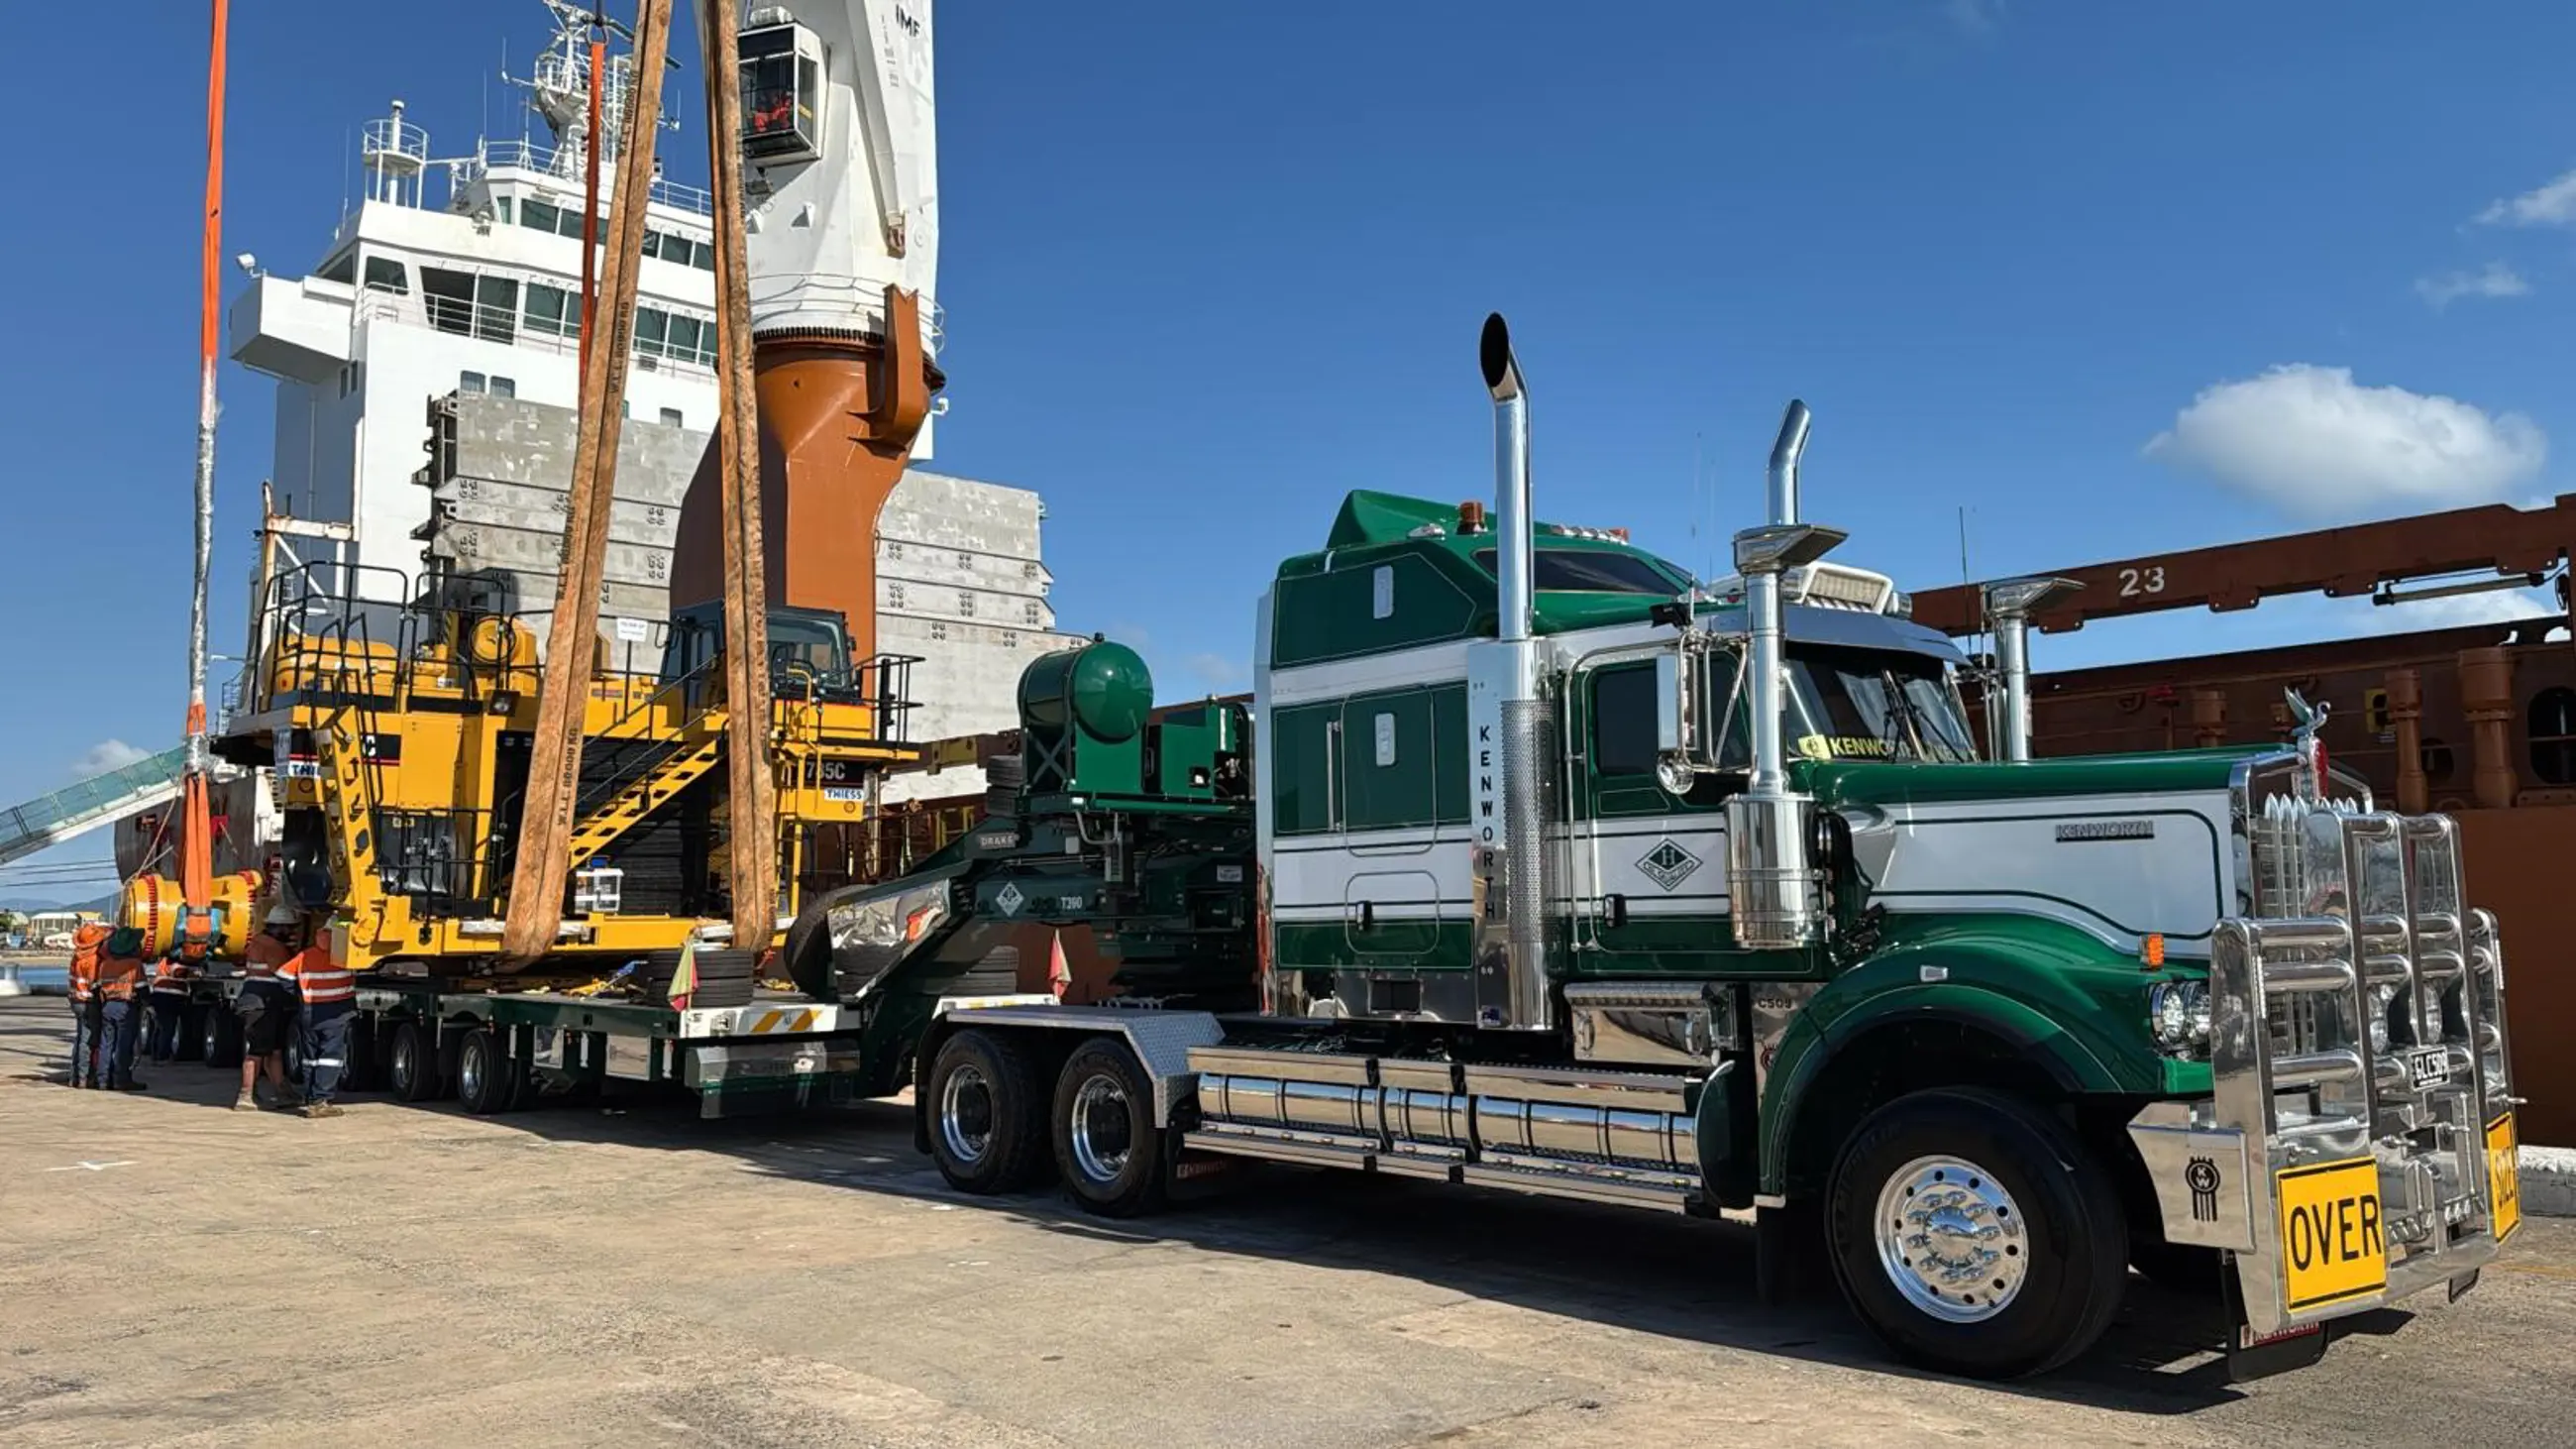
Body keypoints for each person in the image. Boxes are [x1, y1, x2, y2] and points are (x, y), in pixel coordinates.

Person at [285, 929, 356, 1119]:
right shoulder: (345, 956)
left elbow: (283, 975)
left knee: (310, 1056)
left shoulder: (305, 955)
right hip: (335, 1011)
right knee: (330, 1056)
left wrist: (299, 992)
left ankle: (310, 1099)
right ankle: (319, 1101)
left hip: (310, 1010)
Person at [234, 909, 299, 1112]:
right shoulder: (273, 947)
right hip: (261, 1005)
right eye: (288, 928)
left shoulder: (258, 941)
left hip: (264, 1003)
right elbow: (285, 972)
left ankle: (281, 1091)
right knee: (258, 1051)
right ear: (279, 927)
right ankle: (246, 1095)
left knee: (274, 1051)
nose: (290, 932)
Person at [92, 927, 150, 1091]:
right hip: (125, 1006)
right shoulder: (134, 964)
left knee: (106, 1044)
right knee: (123, 1045)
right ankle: (121, 1079)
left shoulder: (105, 964)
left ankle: (102, 1079)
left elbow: (97, 987)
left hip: (107, 1006)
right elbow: (142, 988)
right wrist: (147, 1003)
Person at [64, 922, 107, 1087]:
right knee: (88, 1039)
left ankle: (74, 1075)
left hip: (76, 1000)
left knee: (80, 1037)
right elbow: (95, 983)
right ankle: (85, 1076)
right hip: (89, 1002)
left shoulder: (76, 957)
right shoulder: (94, 959)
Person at [146, 951, 195, 1064]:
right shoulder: (175, 962)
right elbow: (178, 971)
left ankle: (156, 1056)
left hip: (160, 995)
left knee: (160, 1027)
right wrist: (192, 972)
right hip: (170, 997)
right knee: (167, 1028)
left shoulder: (164, 961)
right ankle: (162, 1057)